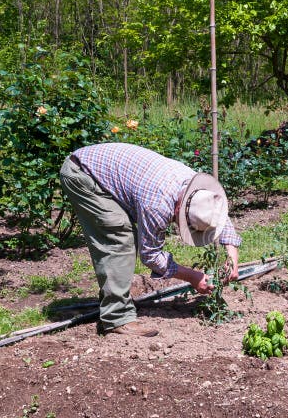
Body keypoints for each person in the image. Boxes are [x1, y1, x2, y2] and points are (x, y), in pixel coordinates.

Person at [59, 142, 241, 337]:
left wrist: (232, 257)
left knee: (121, 231)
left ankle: (114, 302)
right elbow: (151, 255)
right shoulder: (158, 205)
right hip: (83, 174)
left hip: (97, 167)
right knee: (118, 236)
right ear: (180, 210)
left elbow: (216, 211)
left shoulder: (194, 186)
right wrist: (192, 277)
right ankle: (116, 319)